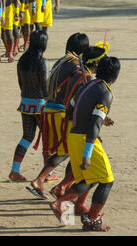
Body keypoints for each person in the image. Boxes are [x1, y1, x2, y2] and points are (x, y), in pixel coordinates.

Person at [26, 45, 108, 200]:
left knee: (67, 153)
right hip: (72, 121)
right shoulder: (85, 77)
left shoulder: (77, 71)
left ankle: (61, 187)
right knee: (68, 153)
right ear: (96, 63)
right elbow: (79, 103)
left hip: (61, 114)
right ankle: (45, 181)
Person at [50, 56, 120, 232]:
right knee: (107, 180)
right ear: (116, 76)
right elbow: (95, 123)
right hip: (85, 139)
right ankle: (91, 221)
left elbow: (71, 110)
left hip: (74, 136)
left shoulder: (86, 85)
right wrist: (88, 153)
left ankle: (62, 207)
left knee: (86, 179)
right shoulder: (105, 92)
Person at [9, 31, 48, 182]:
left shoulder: (22, 61)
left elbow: (21, 83)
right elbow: (44, 88)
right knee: (47, 138)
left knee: (26, 137)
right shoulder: (42, 62)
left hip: (25, 103)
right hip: (39, 105)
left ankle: (14, 170)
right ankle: (48, 174)